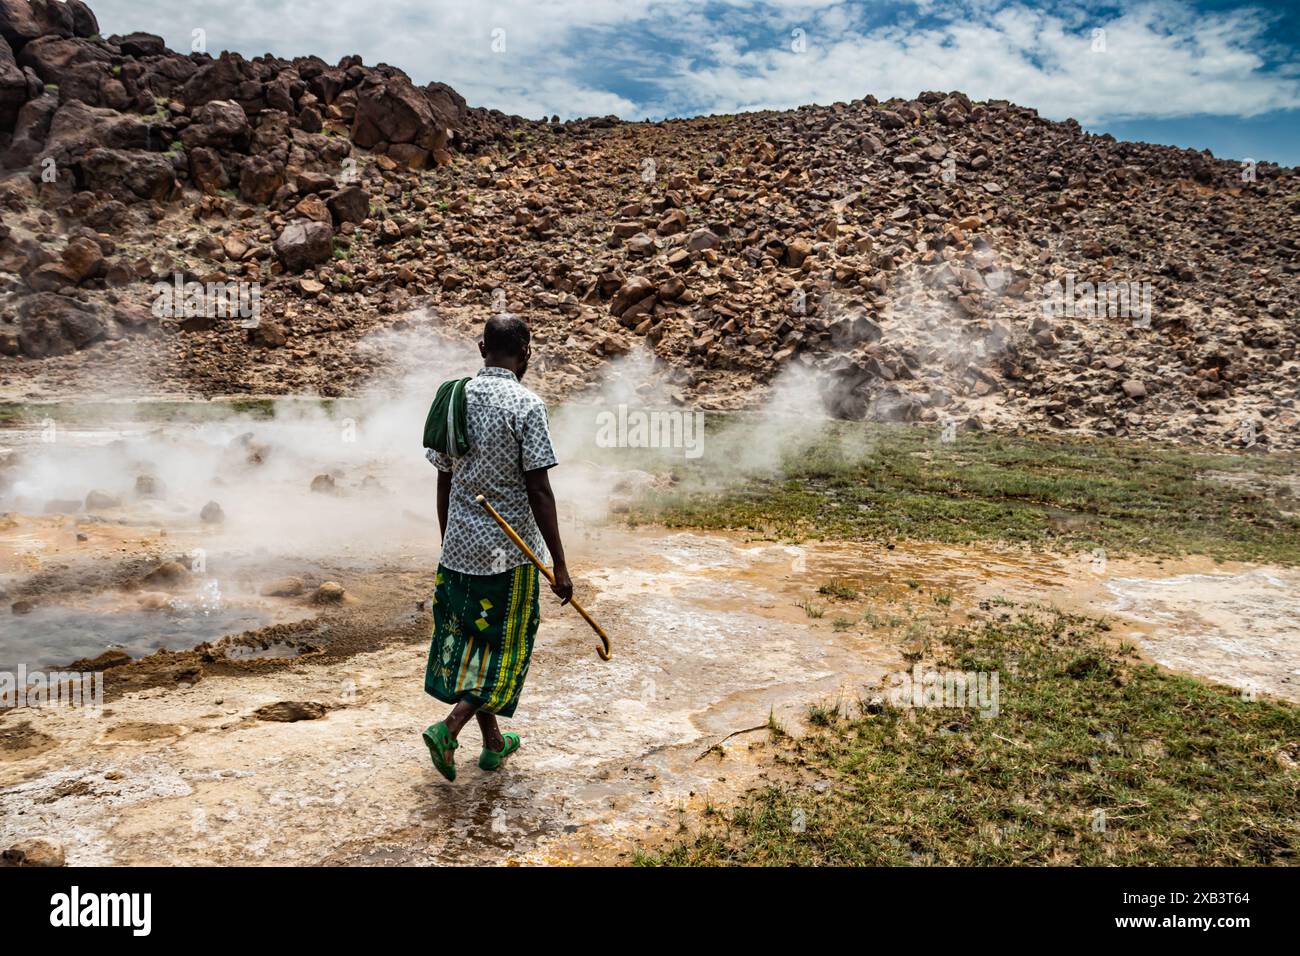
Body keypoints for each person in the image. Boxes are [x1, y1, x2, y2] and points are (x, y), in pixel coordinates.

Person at [421, 314, 572, 781]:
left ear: (481, 346)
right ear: (526, 354)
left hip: (460, 550)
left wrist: (450, 541)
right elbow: (539, 490)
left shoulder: (453, 398)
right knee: (507, 648)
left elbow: (443, 479)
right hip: (510, 555)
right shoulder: (527, 405)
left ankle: (492, 744)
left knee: (471, 644)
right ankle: (450, 728)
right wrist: (560, 566)